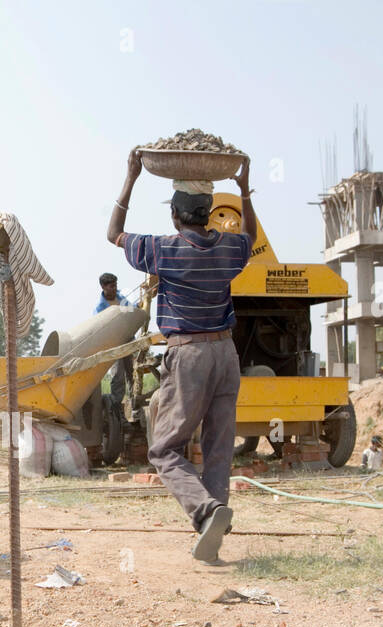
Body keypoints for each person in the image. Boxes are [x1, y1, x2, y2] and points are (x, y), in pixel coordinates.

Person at [107, 150, 257, 564]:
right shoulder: (229, 249)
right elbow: (252, 238)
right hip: (226, 354)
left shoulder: (163, 250)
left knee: (165, 450)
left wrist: (131, 177)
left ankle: (206, 510)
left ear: (175, 215)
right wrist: (244, 192)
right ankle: (213, 526)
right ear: (209, 214)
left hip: (188, 353)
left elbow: (113, 232)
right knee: (219, 446)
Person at [96, 272, 137, 405]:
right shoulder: (100, 308)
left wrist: (139, 307)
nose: (114, 289)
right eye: (111, 286)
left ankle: (135, 404)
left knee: (134, 373)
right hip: (114, 344)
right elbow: (98, 328)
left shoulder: (121, 297)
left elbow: (133, 309)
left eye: (115, 286)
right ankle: (117, 410)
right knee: (118, 376)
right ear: (103, 287)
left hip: (128, 340)